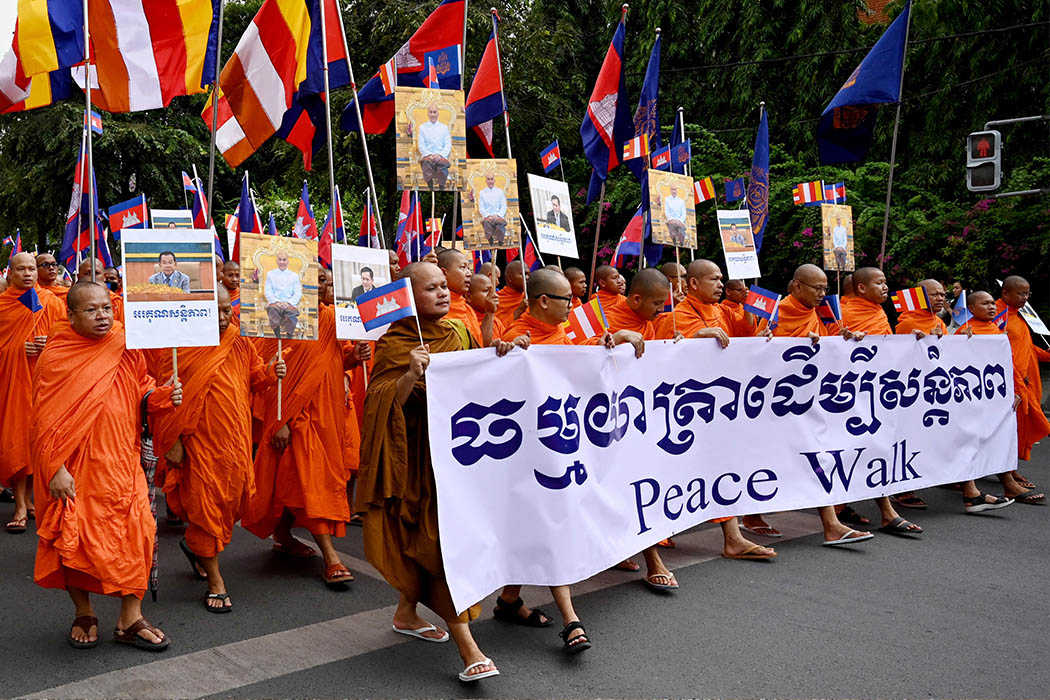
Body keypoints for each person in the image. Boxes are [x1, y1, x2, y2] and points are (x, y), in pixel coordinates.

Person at [356, 262, 503, 681]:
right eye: (431, 289)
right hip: (416, 459)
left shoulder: (458, 331)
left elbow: (482, 374)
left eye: (444, 287)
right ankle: (468, 647)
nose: (442, 294)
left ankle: (406, 613)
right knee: (439, 547)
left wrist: (501, 347)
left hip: (459, 457)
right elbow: (381, 404)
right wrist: (408, 375)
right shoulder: (397, 343)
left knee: (436, 542)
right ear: (406, 298)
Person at [32, 281, 181, 650]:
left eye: (106, 308)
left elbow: (140, 387)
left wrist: (161, 396)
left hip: (122, 460)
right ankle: (84, 612)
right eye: (92, 310)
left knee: (139, 535)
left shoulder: (123, 341)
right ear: (71, 315)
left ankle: (130, 618)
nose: (103, 315)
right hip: (78, 468)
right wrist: (55, 468)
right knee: (75, 543)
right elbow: (44, 418)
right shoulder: (58, 353)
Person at [150, 286, 286, 612]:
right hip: (200, 440)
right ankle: (215, 580)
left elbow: (253, 376)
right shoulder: (178, 346)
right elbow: (163, 397)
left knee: (232, 500)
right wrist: (173, 441)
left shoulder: (237, 339)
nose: (225, 317)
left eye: (228, 310)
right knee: (205, 505)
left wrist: (271, 372)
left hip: (235, 439)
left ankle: (197, 548)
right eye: (217, 310)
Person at [493, 268, 608, 653]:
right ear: (543, 301)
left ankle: (509, 601)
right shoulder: (513, 339)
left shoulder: (563, 334)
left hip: (565, 446)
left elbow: (584, 362)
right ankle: (571, 620)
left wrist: (616, 343)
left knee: (543, 526)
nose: (573, 306)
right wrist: (506, 357)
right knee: (550, 527)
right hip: (531, 455)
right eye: (567, 301)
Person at [655, 260, 778, 560]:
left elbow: (744, 335)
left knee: (722, 465)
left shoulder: (722, 311)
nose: (721, 284)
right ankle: (658, 530)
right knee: (674, 470)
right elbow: (663, 346)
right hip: (682, 409)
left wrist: (761, 332)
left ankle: (733, 537)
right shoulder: (677, 315)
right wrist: (697, 338)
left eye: (722, 278)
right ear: (693, 284)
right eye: (715, 279)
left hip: (719, 406)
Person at [244, 269, 356, 589]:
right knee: (311, 482)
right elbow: (267, 376)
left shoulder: (334, 317)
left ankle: (282, 534)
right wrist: (279, 421)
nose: (327, 285)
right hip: (293, 418)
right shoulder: (282, 319)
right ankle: (331, 558)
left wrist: (355, 355)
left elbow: (339, 358)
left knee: (291, 481)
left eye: (329, 281)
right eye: (319, 280)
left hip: (327, 415)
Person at [765, 264, 873, 547]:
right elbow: (757, 348)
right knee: (767, 460)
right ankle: (751, 518)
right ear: (797, 286)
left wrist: (845, 338)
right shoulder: (776, 312)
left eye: (826, 288)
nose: (823, 294)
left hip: (810, 400)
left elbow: (831, 340)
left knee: (817, 455)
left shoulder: (822, 311)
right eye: (817, 288)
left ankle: (831, 524)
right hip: (776, 401)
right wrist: (791, 342)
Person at [892, 280, 1013, 513]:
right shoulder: (908, 323)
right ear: (919, 296)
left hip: (940, 393)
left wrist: (959, 342)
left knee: (959, 434)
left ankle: (971, 493)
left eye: (942, 295)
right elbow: (901, 358)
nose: (940, 299)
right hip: (912, 395)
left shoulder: (938, 321)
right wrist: (921, 340)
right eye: (934, 295)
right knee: (912, 442)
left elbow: (946, 357)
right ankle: (902, 489)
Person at [602, 268, 684, 588]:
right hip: (604, 419)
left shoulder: (650, 321)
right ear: (635, 299)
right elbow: (568, 349)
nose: (662, 310)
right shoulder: (603, 316)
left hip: (641, 418)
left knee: (643, 481)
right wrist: (615, 338)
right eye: (656, 304)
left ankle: (652, 558)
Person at [839, 267, 924, 535]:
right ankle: (879, 511)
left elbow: (886, 349)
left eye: (886, 282)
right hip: (846, 395)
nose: (886, 287)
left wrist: (910, 342)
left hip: (877, 392)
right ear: (861, 288)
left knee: (875, 448)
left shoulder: (877, 311)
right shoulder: (845, 312)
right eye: (880, 283)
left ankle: (879, 510)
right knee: (853, 451)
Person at [1, 253, 64, 534]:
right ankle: (21, 504)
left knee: (40, 439)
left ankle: (32, 500)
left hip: (44, 383)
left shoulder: (50, 302)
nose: (27, 274)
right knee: (17, 439)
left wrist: (48, 344)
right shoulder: (3, 306)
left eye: (30, 269)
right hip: (12, 383)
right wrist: (14, 350)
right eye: (21, 269)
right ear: (10, 273)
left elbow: (69, 340)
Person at [997, 276, 1050, 503]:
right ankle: (1007, 475)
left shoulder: (1018, 318)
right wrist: (1016, 383)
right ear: (1005, 294)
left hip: (1027, 382)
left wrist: (1047, 355)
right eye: (1020, 293)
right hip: (1009, 385)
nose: (1025, 298)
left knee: (1018, 430)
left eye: (1027, 294)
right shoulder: (997, 317)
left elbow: (1025, 348)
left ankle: (1010, 470)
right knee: (1006, 431)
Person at [438, 249, 486, 346]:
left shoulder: (468, 309)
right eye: (463, 267)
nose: (469, 273)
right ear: (444, 273)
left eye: (468, 268)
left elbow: (478, 345)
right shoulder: (437, 308)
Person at [264, 249, 302, 338]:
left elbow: (298, 293)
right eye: (280, 259)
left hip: (289, 304)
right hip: (275, 303)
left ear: (288, 261)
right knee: (272, 310)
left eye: (284, 260)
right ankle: (278, 335)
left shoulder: (294, 276)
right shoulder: (270, 274)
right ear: (276, 261)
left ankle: (289, 336)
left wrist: (288, 303)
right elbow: (268, 291)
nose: (282, 262)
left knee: (291, 314)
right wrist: (277, 302)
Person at [417, 102, 452, 189]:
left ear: (438, 113)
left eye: (434, 112)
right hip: (428, 156)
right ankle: (430, 185)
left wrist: (439, 155)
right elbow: (421, 145)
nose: (433, 114)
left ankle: (441, 186)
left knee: (442, 165)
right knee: (426, 163)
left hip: (441, 156)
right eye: (431, 112)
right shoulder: (422, 127)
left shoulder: (444, 128)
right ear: (427, 113)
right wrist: (430, 155)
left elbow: (448, 144)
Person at [79, 259, 124, 324]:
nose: (92, 277)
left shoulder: (117, 301)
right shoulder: (68, 298)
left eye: (96, 273)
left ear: (104, 277)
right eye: (87, 273)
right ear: (78, 276)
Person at [467, 272, 503, 344]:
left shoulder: (496, 322)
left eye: (493, 291)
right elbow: (480, 347)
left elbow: (506, 341)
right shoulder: (466, 320)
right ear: (468, 297)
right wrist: (489, 312)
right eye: (486, 291)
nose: (493, 295)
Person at [477, 174, 508, 246]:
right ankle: (490, 239)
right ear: (486, 181)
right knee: (486, 222)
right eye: (488, 179)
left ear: (494, 180)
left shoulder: (500, 191)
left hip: (498, 216)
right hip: (488, 217)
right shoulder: (482, 193)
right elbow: (481, 207)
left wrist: (498, 215)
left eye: (491, 179)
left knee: (500, 223)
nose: (490, 181)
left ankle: (500, 241)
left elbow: (504, 206)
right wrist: (488, 215)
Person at [494, 260, 526, 329]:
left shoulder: (529, 297)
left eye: (528, 274)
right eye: (522, 274)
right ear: (510, 278)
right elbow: (498, 329)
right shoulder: (497, 299)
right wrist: (520, 310)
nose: (527, 277)